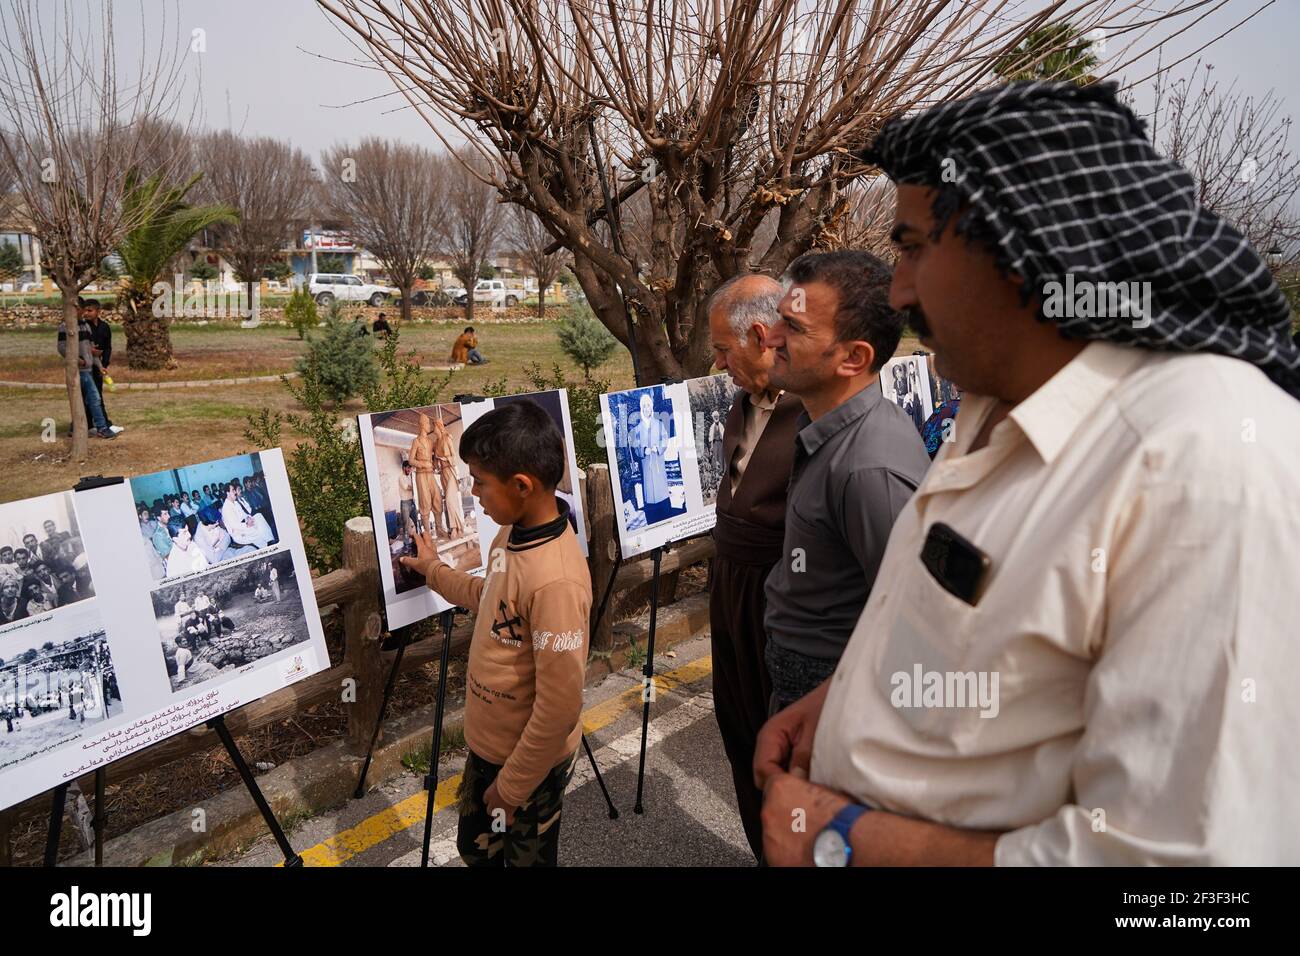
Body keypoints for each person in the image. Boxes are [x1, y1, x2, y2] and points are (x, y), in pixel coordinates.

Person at [756, 81, 1300, 867]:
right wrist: (843, 706)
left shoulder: (1203, 468)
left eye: (910, 248)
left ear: (1018, 247)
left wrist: (844, 840)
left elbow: (1186, 882)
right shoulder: (999, 401)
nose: (899, 290)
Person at [400, 400, 591, 867]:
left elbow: (559, 706)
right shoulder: (512, 534)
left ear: (521, 486)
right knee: (477, 851)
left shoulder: (557, 582)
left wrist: (512, 786)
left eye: (480, 482)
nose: (472, 492)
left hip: (527, 767)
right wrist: (433, 571)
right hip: (490, 751)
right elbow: (490, 597)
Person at [760, 251, 930, 714]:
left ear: (854, 358)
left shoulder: (870, 470)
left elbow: (917, 628)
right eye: (780, 319)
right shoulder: (830, 426)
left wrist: (830, 713)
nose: (770, 338)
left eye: (793, 329)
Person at [705, 273, 804, 862]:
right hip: (730, 592)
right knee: (738, 729)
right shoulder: (745, 403)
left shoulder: (814, 412)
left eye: (723, 349)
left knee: (782, 745)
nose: (718, 364)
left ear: (762, 336)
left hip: (779, 599)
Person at [56, 305, 116, 440]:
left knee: (86, 400)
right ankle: (102, 428)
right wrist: (77, 360)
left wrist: (100, 366)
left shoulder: (85, 326)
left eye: (77, 308)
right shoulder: (65, 326)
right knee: (94, 398)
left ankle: (78, 427)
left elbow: (91, 349)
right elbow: (61, 348)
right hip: (79, 370)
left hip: (88, 369)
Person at [627, 392, 672, 524]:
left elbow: (665, 439)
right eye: (644, 406)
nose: (647, 408)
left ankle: (666, 512)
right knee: (650, 501)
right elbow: (635, 447)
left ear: (651, 407)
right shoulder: (637, 429)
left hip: (658, 464)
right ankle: (653, 517)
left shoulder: (659, 424)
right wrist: (644, 450)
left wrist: (658, 448)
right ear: (642, 408)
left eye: (648, 405)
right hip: (646, 466)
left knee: (663, 497)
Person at [82, 299, 123, 434]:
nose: (86, 313)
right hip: (85, 365)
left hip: (98, 366)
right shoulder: (83, 326)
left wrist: (104, 365)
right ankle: (97, 424)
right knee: (90, 396)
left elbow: (108, 348)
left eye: (90, 310)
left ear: (98, 311)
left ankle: (99, 423)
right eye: (85, 310)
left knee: (96, 395)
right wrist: (90, 351)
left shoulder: (104, 327)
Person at [408, 413, 445, 537]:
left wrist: (434, 463)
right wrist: (423, 464)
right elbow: (410, 460)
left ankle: (439, 529)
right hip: (421, 475)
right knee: (425, 503)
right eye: (428, 423)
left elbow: (436, 453)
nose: (429, 426)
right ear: (423, 425)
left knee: (437, 498)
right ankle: (428, 535)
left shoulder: (430, 441)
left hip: (431, 474)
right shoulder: (416, 441)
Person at [432, 418, 466, 537]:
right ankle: (456, 527)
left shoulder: (447, 439)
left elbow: (454, 458)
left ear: (439, 427)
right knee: (449, 502)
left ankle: (456, 527)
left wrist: (444, 458)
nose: (433, 429)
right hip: (442, 474)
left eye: (435, 426)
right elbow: (434, 464)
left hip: (450, 471)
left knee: (451, 500)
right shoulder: (436, 444)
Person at [221, 481, 274, 549]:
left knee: (258, 516)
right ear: (227, 493)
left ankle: (270, 540)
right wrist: (247, 524)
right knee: (256, 529)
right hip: (238, 533)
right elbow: (234, 526)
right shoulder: (226, 508)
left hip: (244, 524)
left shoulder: (235, 503)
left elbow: (244, 514)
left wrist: (248, 518)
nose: (235, 492)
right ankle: (266, 546)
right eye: (233, 490)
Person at [397, 459, 418, 547]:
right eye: (407, 468)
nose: (409, 470)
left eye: (410, 468)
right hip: (405, 503)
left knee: (416, 522)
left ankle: (417, 541)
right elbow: (407, 487)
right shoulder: (401, 477)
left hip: (412, 502)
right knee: (405, 525)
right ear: (403, 468)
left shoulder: (410, 477)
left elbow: (413, 486)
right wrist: (416, 487)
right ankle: (406, 545)